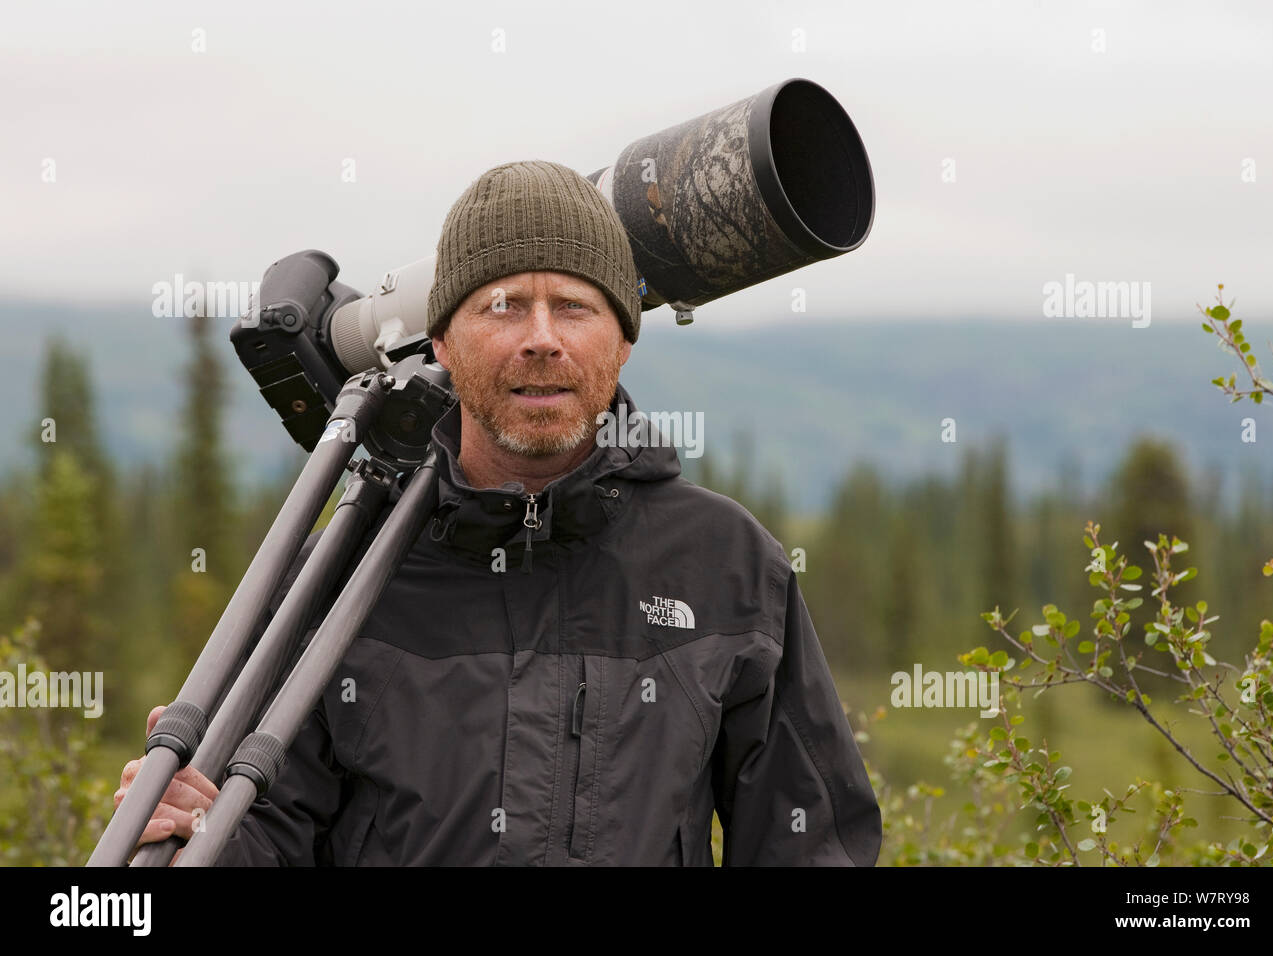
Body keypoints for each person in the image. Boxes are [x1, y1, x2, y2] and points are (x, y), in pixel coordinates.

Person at [116, 160, 882, 865]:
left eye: (575, 307)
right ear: (443, 340)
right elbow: (277, 841)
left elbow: (810, 843)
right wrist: (199, 834)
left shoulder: (727, 566)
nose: (541, 340)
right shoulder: (342, 578)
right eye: (504, 306)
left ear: (622, 341)